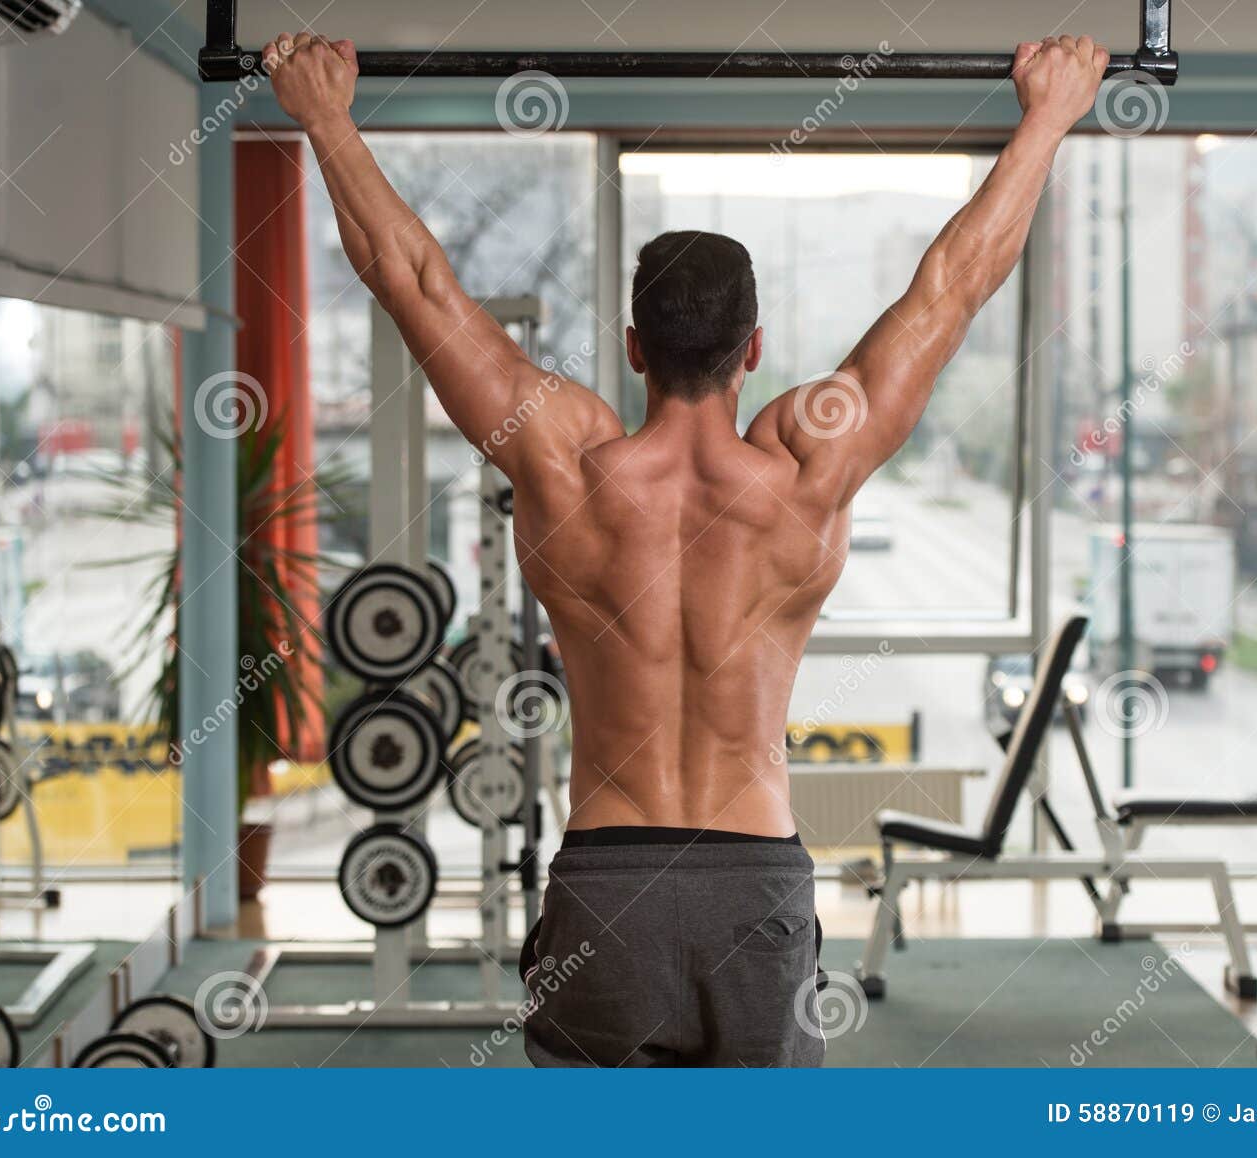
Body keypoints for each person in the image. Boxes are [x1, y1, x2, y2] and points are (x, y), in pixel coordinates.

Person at [266, 30, 1109, 1067]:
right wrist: (1046, 119)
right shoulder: (806, 473)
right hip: (752, 876)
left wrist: (327, 121)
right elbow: (950, 289)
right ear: (753, 347)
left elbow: (416, 285)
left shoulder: (566, 461)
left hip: (608, 878)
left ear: (633, 347)